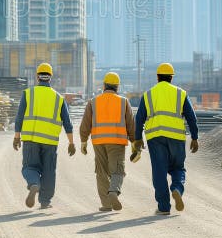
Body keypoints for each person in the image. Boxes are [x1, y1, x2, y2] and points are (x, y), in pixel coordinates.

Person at [133, 62, 199, 215]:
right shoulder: (180, 93)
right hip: (176, 136)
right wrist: (195, 137)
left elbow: (139, 118)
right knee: (178, 168)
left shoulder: (148, 94)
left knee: (159, 171)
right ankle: (177, 188)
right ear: (171, 77)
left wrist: (138, 139)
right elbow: (191, 117)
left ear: (157, 77)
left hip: (155, 137)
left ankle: (163, 207)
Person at [13, 62, 76, 209]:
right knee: (49, 171)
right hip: (50, 142)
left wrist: (17, 137)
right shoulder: (59, 98)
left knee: (29, 167)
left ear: (37, 77)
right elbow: (68, 123)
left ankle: (34, 184)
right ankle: (45, 201)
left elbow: (19, 118)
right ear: (50, 78)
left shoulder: (28, 93)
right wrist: (71, 143)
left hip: (31, 139)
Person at [79, 72, 135, 211]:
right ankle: (113, 192)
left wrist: (83, 141)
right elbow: (131, 124)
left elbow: (85, 124)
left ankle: (106, 204)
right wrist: (135, 143)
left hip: (98, 141)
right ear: (117, 87)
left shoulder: (93, 101)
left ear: (104, 85)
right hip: (116, 140)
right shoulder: (123, 101)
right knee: (117, 170)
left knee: (101, 172)